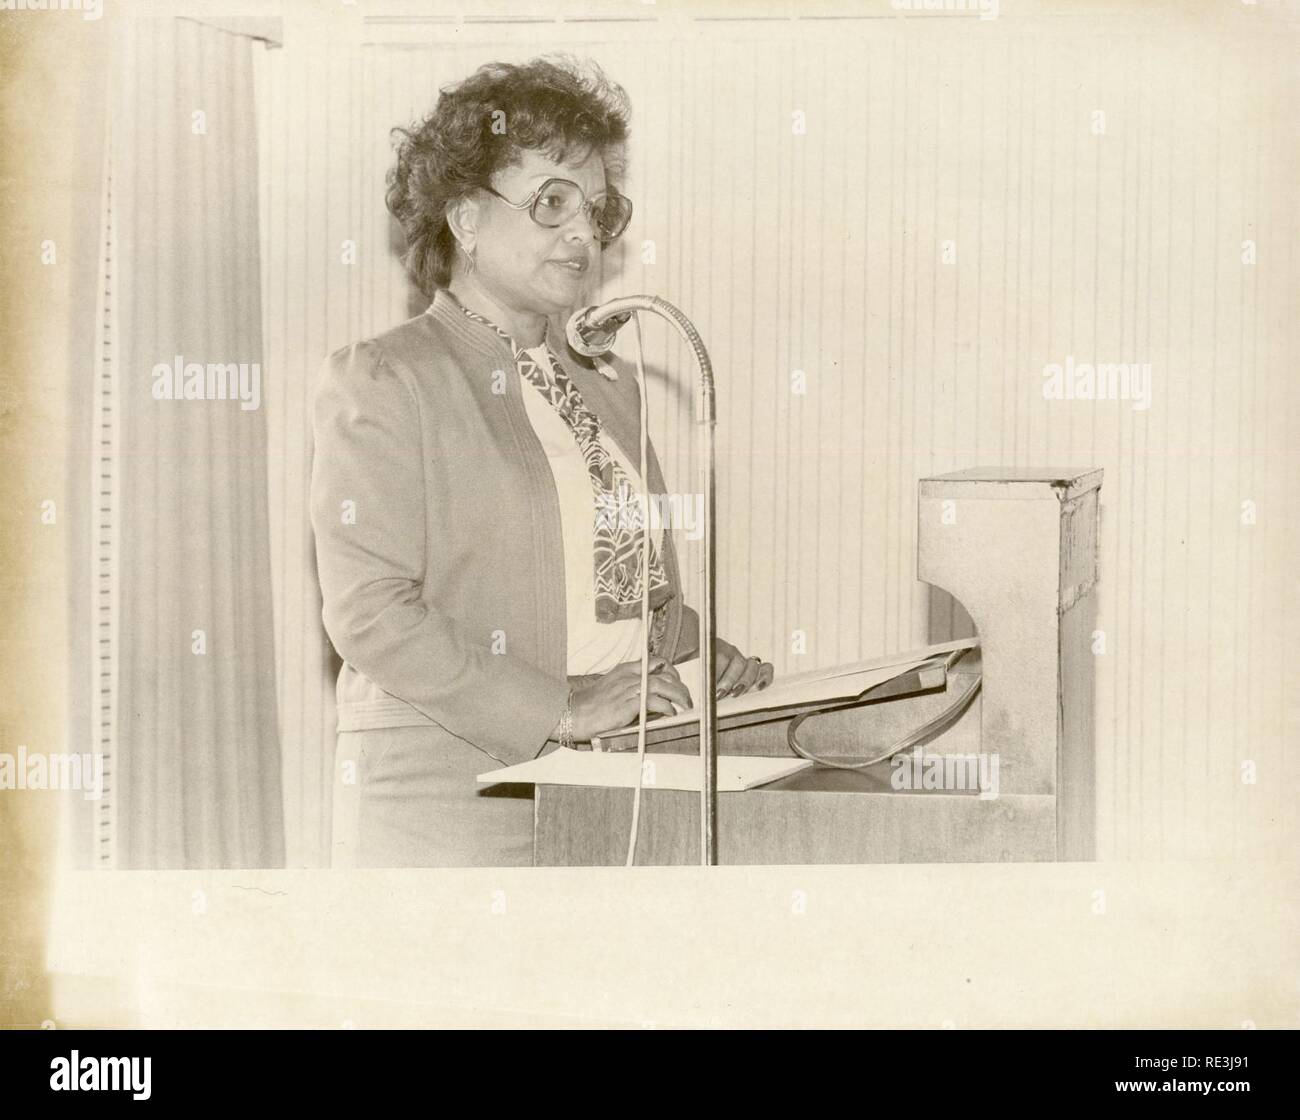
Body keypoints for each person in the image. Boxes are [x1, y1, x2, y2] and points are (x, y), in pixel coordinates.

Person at [310, 56, 773, 868]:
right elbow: (371, 613)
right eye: (552, 202)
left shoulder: (607, 385)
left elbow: (612, 593)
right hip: (447, 799)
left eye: (598, 211)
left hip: (607, 791)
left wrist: (697, 649)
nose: (583, 234)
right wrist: (559, 707)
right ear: (465, 217)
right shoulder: (387, 376)